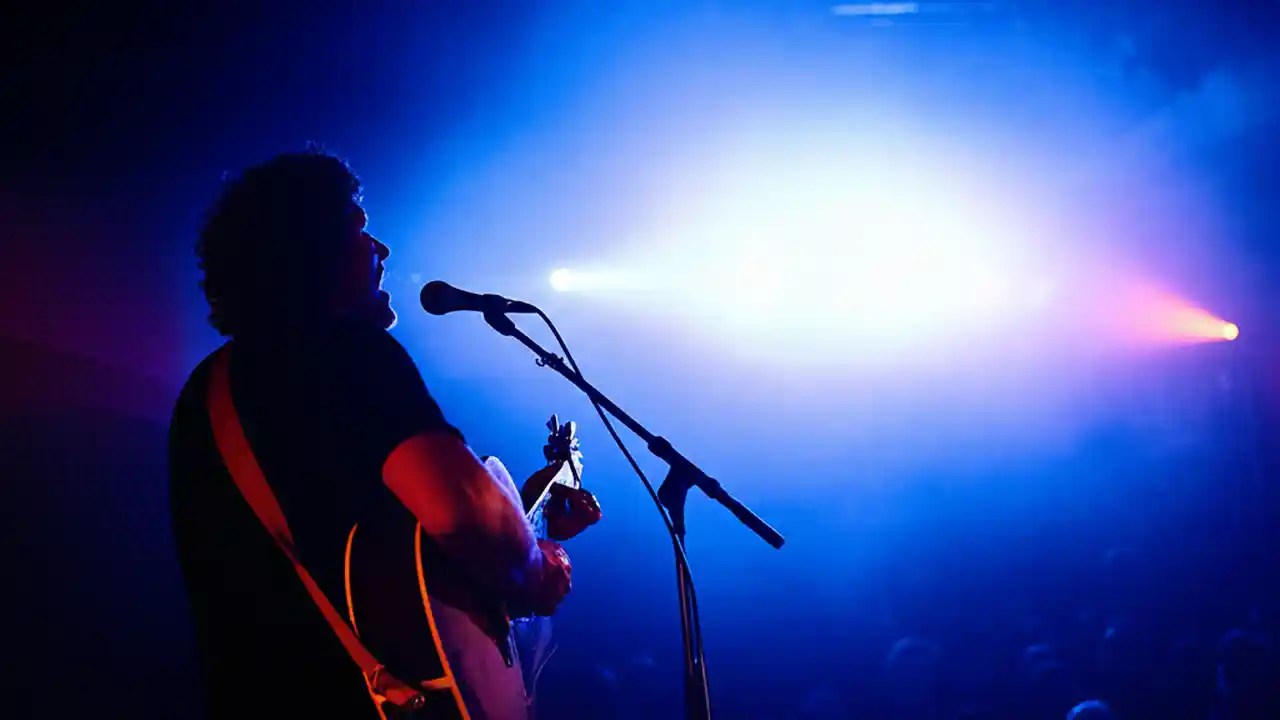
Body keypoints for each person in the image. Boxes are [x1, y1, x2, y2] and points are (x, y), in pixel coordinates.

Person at [168, 149, 574, 719]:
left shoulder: (202, 396)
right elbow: (461, 510)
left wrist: (528, 524)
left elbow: (381, 562)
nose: (381, 250)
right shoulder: (347, 351)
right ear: (311, 254)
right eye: (361, 231)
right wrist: (535, 568)